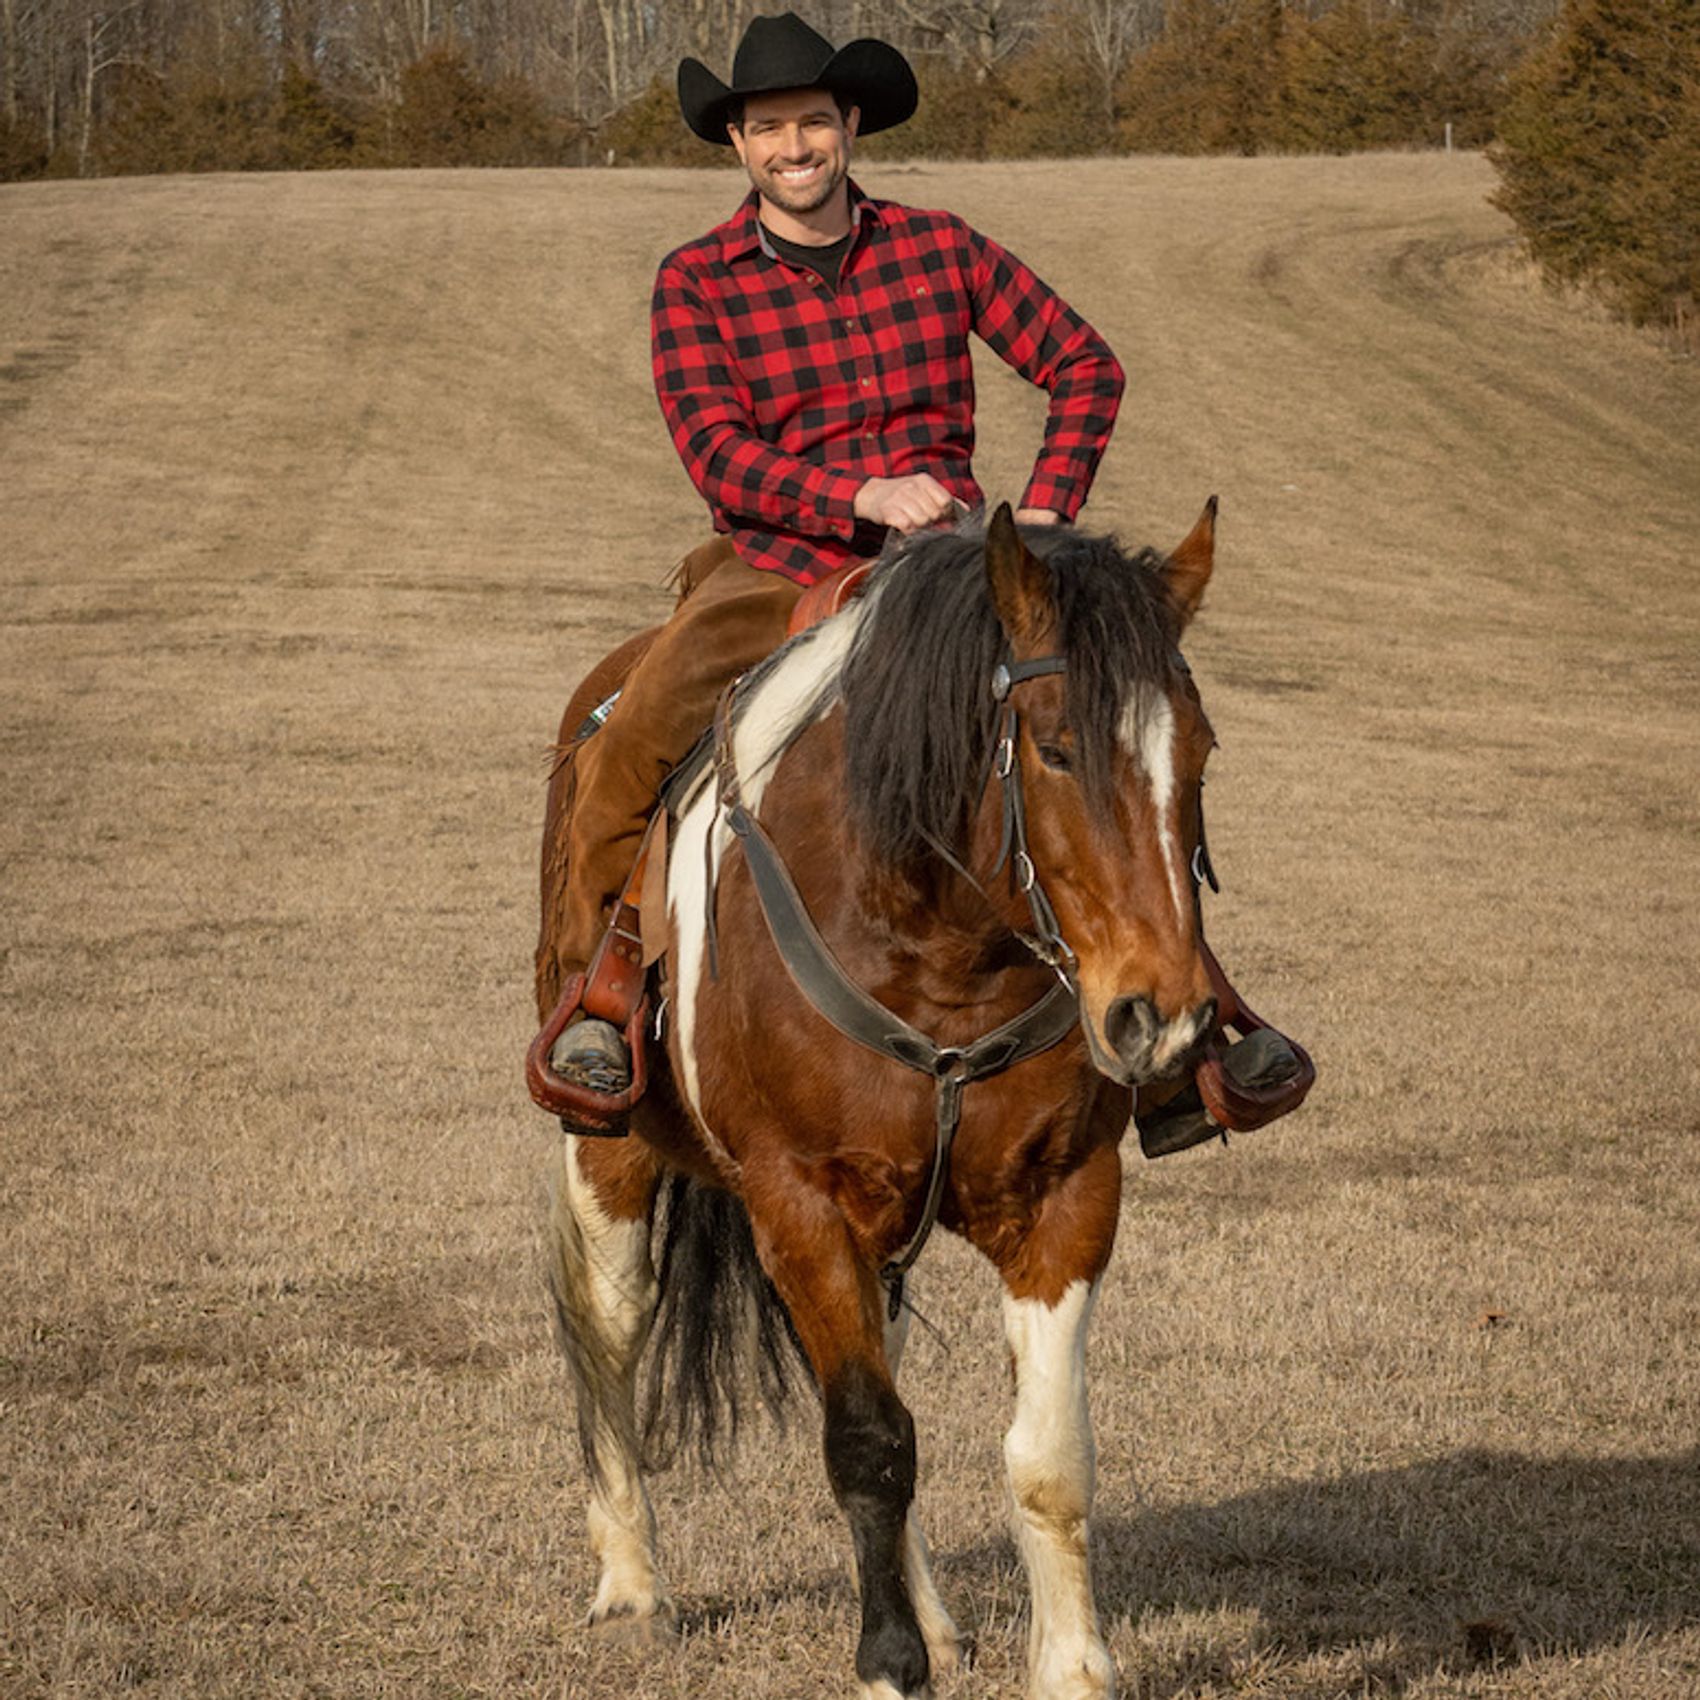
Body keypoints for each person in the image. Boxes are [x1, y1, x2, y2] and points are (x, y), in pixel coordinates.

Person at [549, 11, 1306, 1149]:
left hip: (951, 573)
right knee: (632, 738)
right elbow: (715, 452)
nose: (794, 147)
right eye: (769, 129)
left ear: (850, 125)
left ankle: (1184, 1023)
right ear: (737, 144)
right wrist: (855, 495)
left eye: (813, 121)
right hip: (776, 565)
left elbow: (1084, 365)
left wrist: (1043, 508)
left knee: (1110, 730)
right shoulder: (696, 280)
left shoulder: (940, 247)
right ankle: (602, 994)